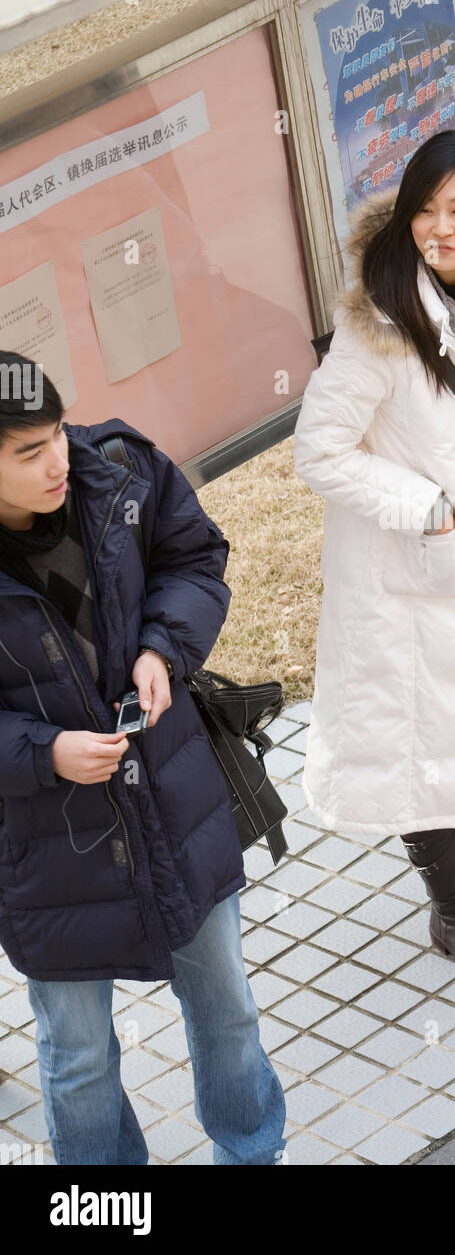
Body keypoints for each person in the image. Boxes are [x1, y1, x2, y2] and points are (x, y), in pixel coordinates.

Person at [0, 351, 285, 1164]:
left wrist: (163, 648)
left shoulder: (119, 471)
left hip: (172, 800)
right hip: (45, 844)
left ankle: (253, 1152)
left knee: (225, 1006)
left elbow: (193, 557)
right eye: (28, 452)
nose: (58, 460)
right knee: (79, 1056)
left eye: (56, 433)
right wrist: (42, 750)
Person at [292, 128, 455, 985]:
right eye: (426, 211)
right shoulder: (381, 324)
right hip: (402, 576)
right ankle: (453, 911)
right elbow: (318, 452)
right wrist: (428, 507)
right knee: (418, 741)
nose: (440, 229)